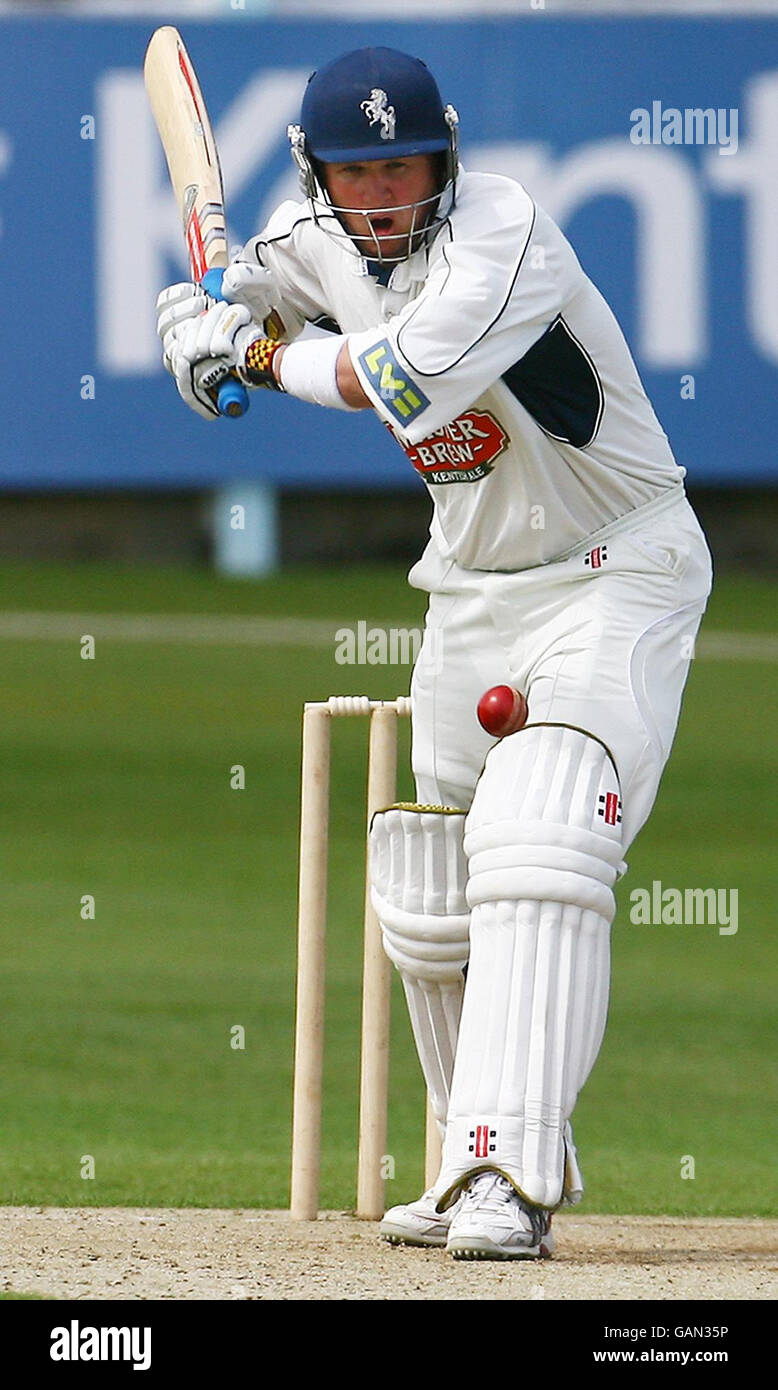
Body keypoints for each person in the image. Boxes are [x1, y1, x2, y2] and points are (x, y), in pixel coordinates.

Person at [157, 47, 712, 1261]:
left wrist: (244, 357)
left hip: (614, 567)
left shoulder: (502, 234)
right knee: (426, 876)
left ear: (447, 158)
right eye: (357, 174)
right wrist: (201, 329)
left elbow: (395, 380)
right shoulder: (307, 238)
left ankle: (512, 1174)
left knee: (544, 831)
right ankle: (468, 1159)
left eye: (406, 163)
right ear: (319, 178)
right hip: (468, 588)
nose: (385, 194)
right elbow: (251, 297)